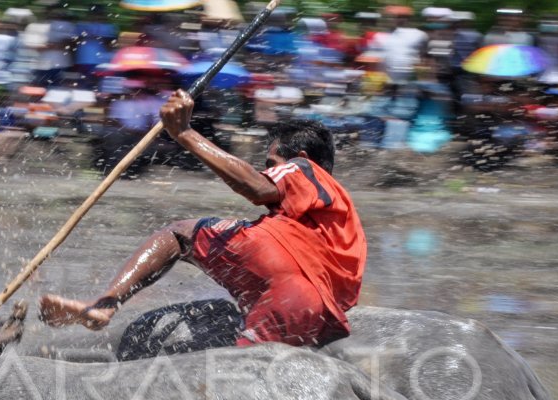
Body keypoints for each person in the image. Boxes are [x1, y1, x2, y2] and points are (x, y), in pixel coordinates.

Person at [41, 91, 366, 349]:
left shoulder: (303, 168)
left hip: (279, 264)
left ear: (301, 158)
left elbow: (256, 186)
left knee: (179, 234)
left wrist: (184, 133)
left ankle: (105, 305)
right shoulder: (344, 220)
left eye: (271, 161)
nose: (269, 169)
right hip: (313, 313)